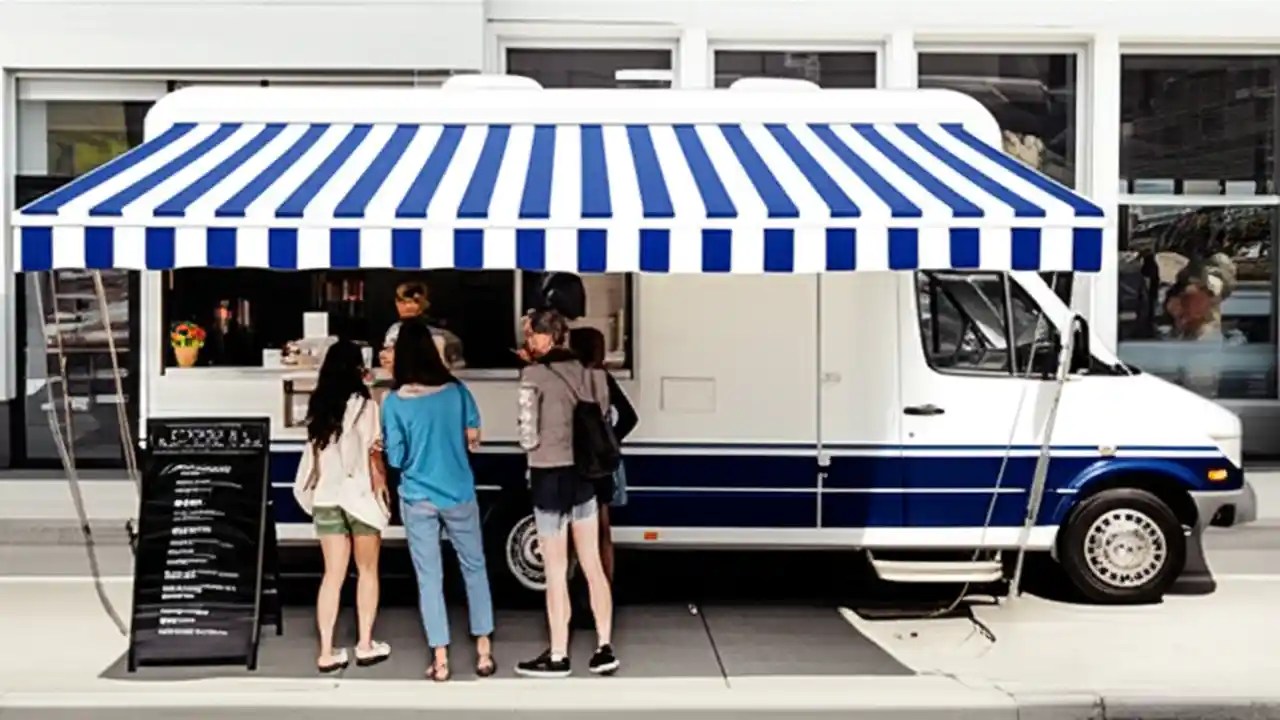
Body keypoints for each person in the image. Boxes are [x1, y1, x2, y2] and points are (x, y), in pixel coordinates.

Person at [382, 319, 495, 682]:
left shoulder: (394, 402)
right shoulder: (458, 392)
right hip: (459, 491)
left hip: (418, 497)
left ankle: (441, 658)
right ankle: (483, 652)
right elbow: (474, 438)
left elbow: (397, 459)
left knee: (430, 577)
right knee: (474, 567)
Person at [514, 309, 619, 678]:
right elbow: (605, 419)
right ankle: (604, 648)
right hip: (585, 477)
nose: (528, 342)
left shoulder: (533, 375)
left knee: (556, 570)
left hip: (548, 475)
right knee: (591, 562)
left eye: (531, 335)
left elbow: (527, 435)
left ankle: (559, 654)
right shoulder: (594, 375)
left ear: (546, 337)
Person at [292, 339, 392, 673]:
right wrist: (383, 488)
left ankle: (326, 651)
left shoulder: (319, 406)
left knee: (332, 575)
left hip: (326, 496)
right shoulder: (367, 406)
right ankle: (365, 644)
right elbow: (375, 453)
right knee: (367, 571)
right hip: (359, 495)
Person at [568, 327, 637, 587]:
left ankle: (578, 586)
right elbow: (630, 416)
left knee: (575, 528)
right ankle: (605, 587)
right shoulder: (604, 378)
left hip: (577, 460)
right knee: (603, 530)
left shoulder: (572, 378)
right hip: (603, 462)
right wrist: (610, 439)